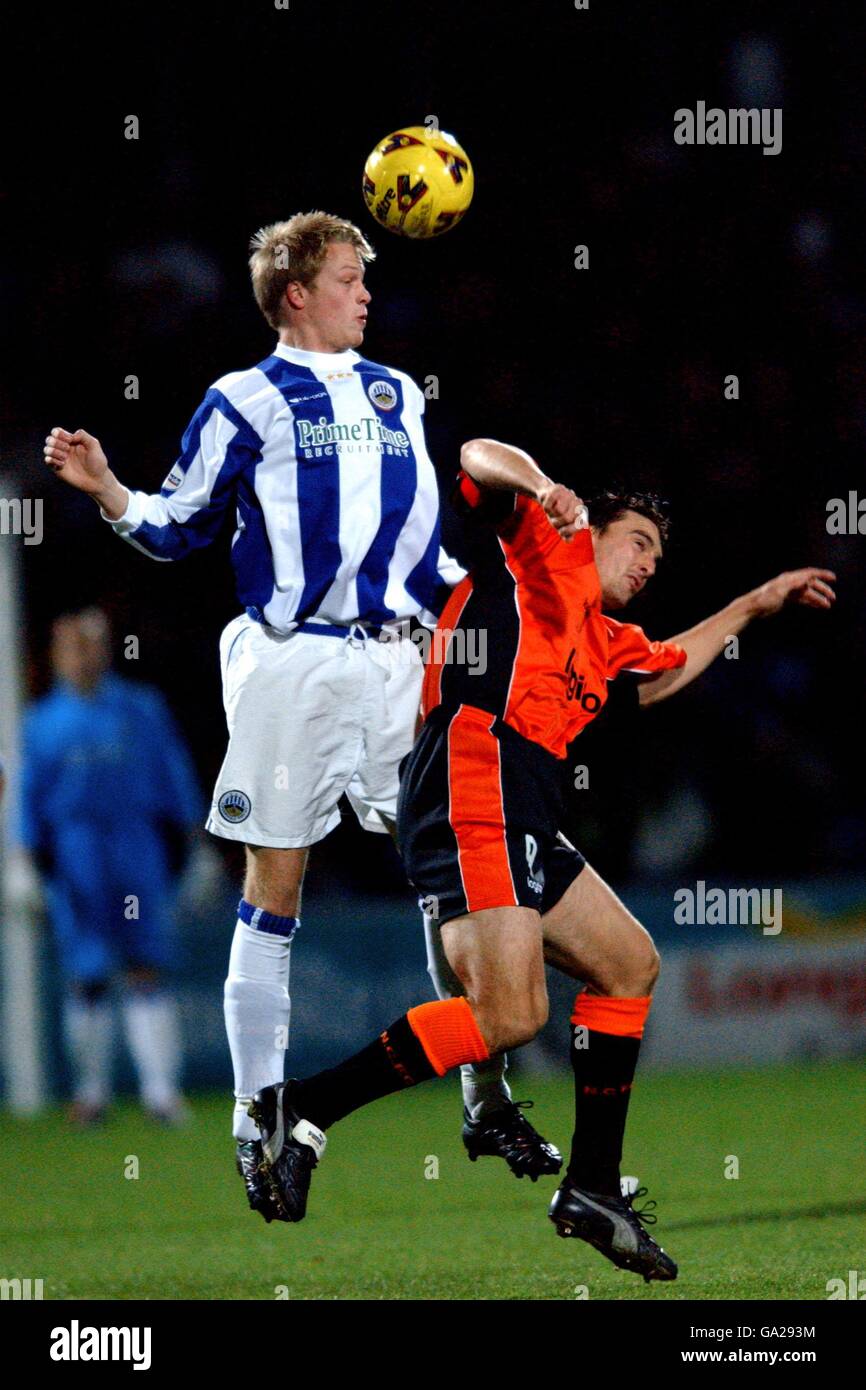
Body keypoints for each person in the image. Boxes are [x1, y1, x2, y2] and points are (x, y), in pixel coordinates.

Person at [42, 213, 552, 1214]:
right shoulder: (241, 400)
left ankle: (484, 1093)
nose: (366, 293)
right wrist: (108, 489)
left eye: (366, 277)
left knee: (456, 871)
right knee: (276, 881)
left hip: (397, 661)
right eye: (349, 278)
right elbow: (179, 524)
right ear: (295, 294)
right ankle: (252, 1118)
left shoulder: (396, 391)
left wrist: (492, 613)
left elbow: (424, 549)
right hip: (292, 665)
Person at [248, 437, 835, 1280]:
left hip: (525, 802)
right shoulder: (544, 554)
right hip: (472, 767)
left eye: (659, 558)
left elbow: (666, 673)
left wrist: (753, 604)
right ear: (593, 532)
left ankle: (592, 1186)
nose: (648, 565)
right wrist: (546, 485)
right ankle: (300, 1106)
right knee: (511, 1016)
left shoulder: (608, 639)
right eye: (638, 543)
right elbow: (476, 453)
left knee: (629, 964)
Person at [18, 607, 201, 1124]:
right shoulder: (42, 721)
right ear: (56, 654)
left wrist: (192, 845)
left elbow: (175, 778)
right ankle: (91, 1093)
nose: (82, 656)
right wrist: (29, 859)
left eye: (90, 644)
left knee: (146, 968)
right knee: (87, 975)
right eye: (71, 646)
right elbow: (29, 799)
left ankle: (162, 1093)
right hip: (77, 858)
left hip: (135, 850)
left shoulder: (140, 708)